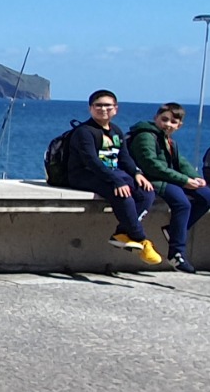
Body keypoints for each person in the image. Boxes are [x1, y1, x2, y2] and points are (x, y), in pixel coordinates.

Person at [63, 90, 161, 264]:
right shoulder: (84, 132)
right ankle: (141, 239)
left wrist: (137, 174)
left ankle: (121, 233)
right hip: (85, 174)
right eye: (98, 105)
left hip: (112, 173)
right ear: (90, 108)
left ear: (116, 108)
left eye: (108, 105)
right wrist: (116, 181)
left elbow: (124, 158)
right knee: (123, 195)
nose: (103, 109)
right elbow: (91, 161)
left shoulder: (116, 131)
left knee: (147, 192)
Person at [126, 103, 210, 273]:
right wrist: (183, 180)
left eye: (173, 122)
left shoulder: (168, 140)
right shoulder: (145, 136)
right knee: (182, 203)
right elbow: (151, 165)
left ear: (179, 125)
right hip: (151, 179)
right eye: (164, 119)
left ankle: (174, 230)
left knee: (208, 197)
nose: (168, 124)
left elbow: (181, 162)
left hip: (168, 178)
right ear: (156, 118)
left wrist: (195, 177)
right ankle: (176, 253)